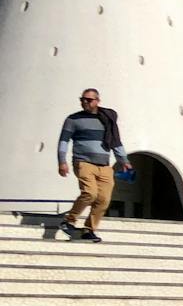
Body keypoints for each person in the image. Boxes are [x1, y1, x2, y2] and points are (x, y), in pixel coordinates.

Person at [56, 87, 132, 243]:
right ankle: (69, 220)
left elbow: (116, 142)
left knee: (103, 199)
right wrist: (62, 161)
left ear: (97, 101)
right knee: (90, 193)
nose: (85, 102)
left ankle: (89, 229)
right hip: (84, 162)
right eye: (82, 99)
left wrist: (124, 161)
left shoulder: (107, 119)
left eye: (89, 100)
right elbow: (64, 141)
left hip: (104, 165)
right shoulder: (73, 119)